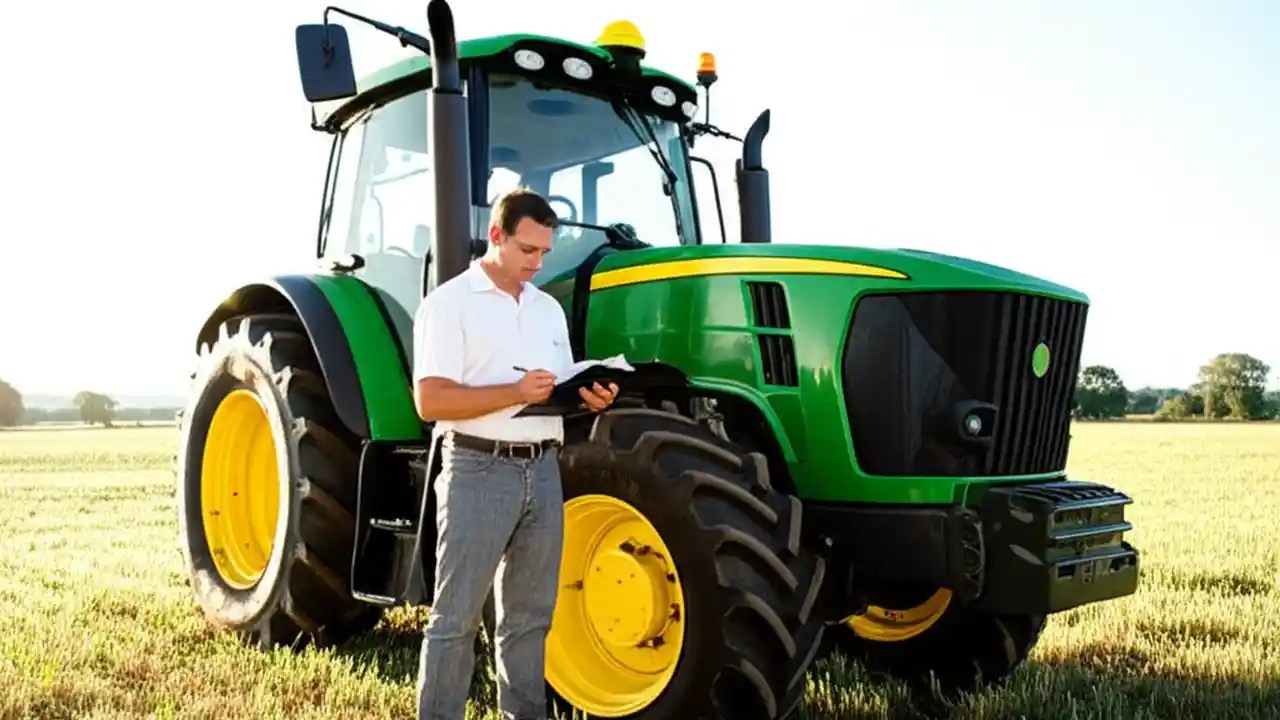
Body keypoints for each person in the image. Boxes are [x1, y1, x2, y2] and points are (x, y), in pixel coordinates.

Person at [411, 187, 618, 720]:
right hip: (477, 469)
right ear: (496, 236)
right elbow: (431, 401)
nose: (538, 263)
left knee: (530, 621)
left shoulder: (547, 309)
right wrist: (514, 392)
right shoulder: (448, 305)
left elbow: (552, 392)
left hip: (543, 471)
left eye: (545, 252)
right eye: (528, 250)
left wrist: (587, 398)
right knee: (455, 620)